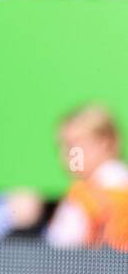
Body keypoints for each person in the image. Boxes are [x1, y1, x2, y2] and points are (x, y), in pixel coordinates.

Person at [47, 106, 128, 251]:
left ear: (104, 143)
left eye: (73, 144)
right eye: (62, 146)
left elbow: (58, 249)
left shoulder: (85, 195)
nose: (66, 154)